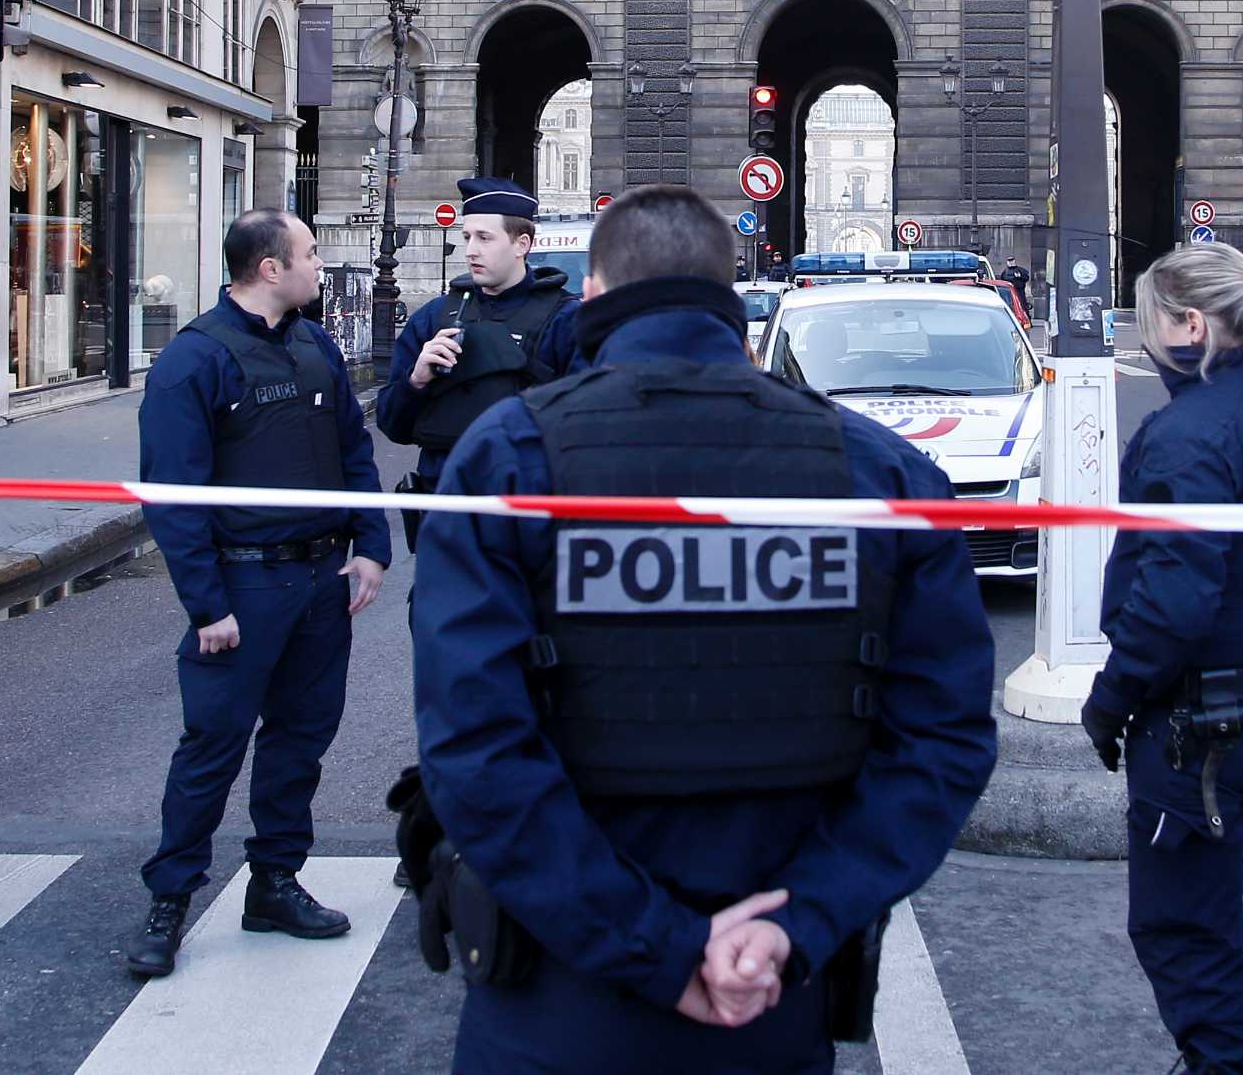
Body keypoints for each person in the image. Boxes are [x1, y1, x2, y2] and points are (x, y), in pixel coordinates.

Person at [407, 184, 997, 1072]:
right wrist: (802, 919)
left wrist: (654, 945)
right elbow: (943, 738)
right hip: (772, 990)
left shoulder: (510, 453)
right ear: (736, 301)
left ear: (595, 295)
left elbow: (476, 747)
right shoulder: (880, 471)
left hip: (558, 992)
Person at [1079, 242, 1243, 1075]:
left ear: (1191, 325)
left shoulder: (1189, 432)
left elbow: (1177, 600)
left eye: (1152, 318)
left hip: (1203, 726)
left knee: (1182, 932)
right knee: (1208, 913)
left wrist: (1112, 697)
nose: (1147, 335)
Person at [125, 211, 390, 979]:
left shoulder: (316, 346)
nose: (318, 264)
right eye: (309, 253)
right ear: (269, 269)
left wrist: (370, 546)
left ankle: (274, 882)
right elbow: (172, 496)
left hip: (320, 580)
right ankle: (170, 900)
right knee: (212, 746)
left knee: (300, 740)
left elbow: (353, 452)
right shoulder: (195, 359)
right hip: (244, 581)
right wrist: (207, 606)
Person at [375, 177, 580, 547]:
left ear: (522, 244)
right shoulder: (435, 316)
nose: (470, 250)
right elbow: (393, 425)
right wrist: (416, 381)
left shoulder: (566, 321)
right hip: (446, 512)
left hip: (526, 513)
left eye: (484, 238)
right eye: (467, 236)